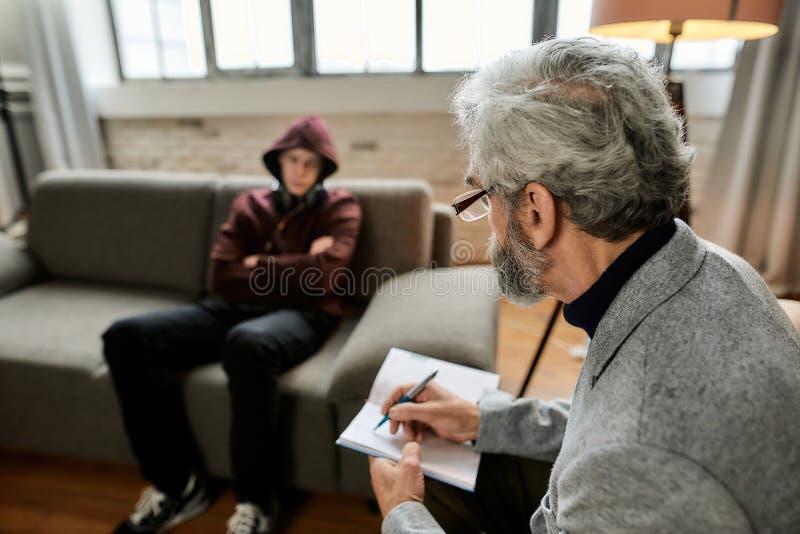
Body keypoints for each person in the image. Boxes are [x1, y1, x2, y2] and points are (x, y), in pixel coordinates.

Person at [369, 38, 800, 533]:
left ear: (535, 210)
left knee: (415, 486)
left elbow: (624, 438)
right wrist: (483, 420)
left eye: (485, 196)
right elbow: (608, 413)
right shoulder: (715, 269)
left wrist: (402, 516)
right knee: (439, 457)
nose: (489, 227)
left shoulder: (633, 461)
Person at [103, 116, 362, 534]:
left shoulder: (342, 207)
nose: (300, 170)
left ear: (324, 169)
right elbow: (221, 277)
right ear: (277, 161)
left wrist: (257, 264)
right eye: (292, 159)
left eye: (311, 163)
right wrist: (302, 264)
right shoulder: (249, 204)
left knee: (248, 344)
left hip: (307, 314)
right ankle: (177, 485)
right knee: (126, 337)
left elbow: (326, 279)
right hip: (231, 305)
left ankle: (256, 501)